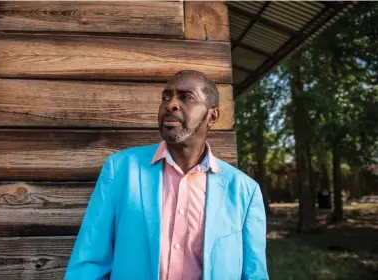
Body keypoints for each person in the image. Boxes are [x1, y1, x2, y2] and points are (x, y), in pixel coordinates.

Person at [64, 70, 268, 280]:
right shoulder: (121, 169)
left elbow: (254, 274)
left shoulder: (244, 190)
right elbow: (89, 262)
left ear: (212, 116)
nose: (170, 105)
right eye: (166, 97)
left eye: (186, 97)